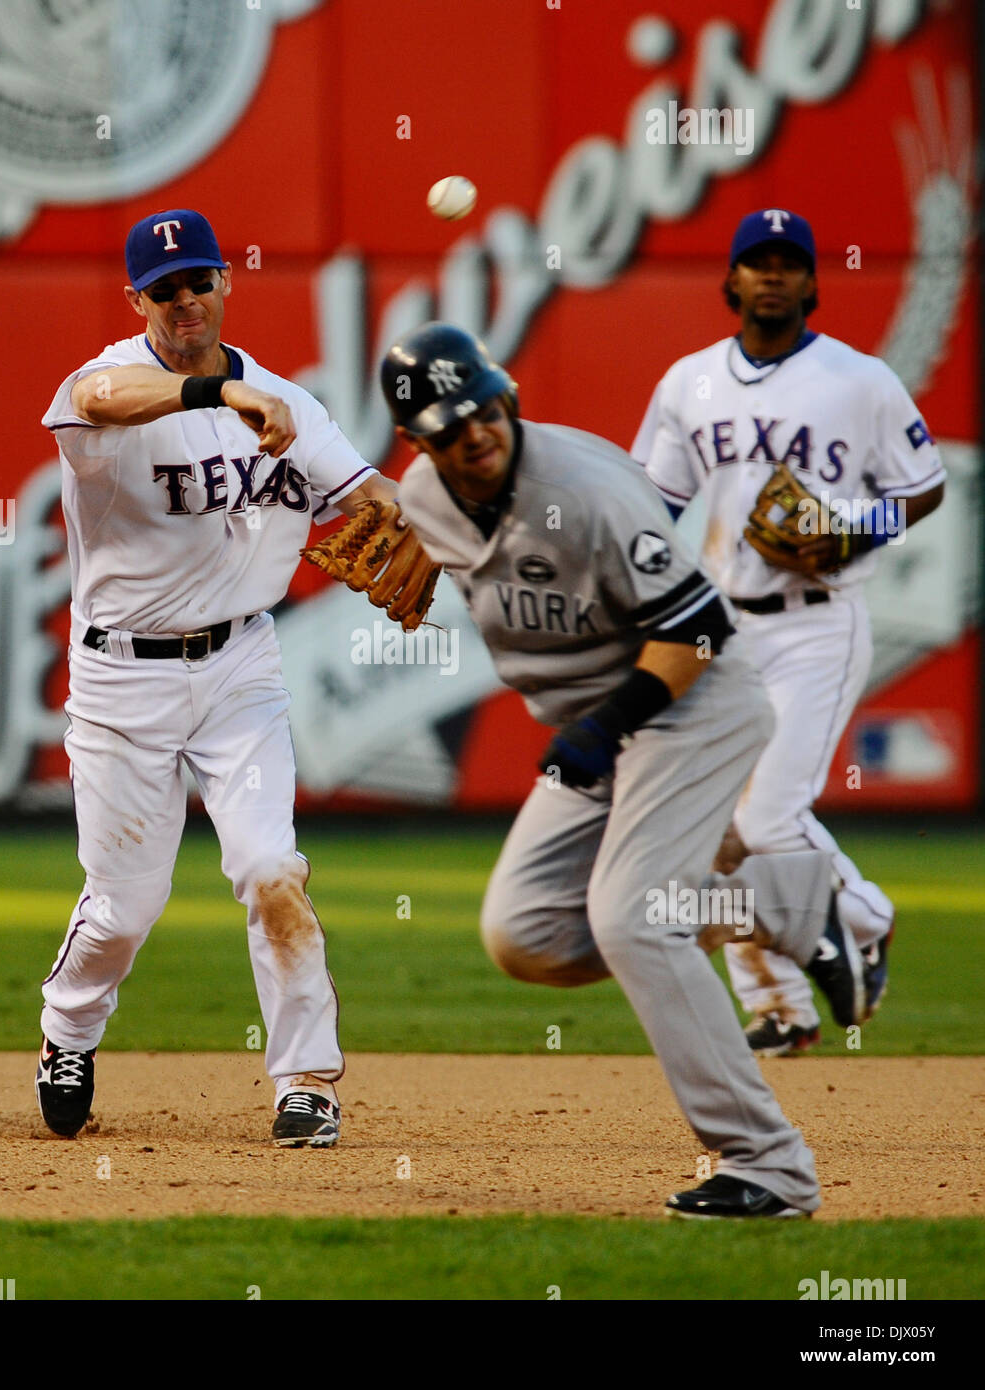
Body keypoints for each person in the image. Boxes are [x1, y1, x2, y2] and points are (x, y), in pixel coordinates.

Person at [379, 321, 884, 1219]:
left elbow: (700, 626)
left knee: (635, 919)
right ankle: (785, 908)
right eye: (451, 427)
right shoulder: (425, 497)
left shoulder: (584, 488)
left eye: (485, 410)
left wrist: (607, 724)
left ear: (507, 399)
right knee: (527, 935)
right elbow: (439, 539)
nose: (477, 434)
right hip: (600, 725)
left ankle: (767, 1164)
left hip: (688, 705)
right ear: (420, 444)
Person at [36, 208, 398, 1148]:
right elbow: (101, 402)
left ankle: (305, 1081)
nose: (184, 299)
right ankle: (68, 1032)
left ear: (226, 281)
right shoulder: (105, 386)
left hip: (240, 666)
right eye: (164, 288)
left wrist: (421, 520)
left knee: (271, 869)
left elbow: (367, 497)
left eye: (198, 280)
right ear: (137, 300)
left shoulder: (288, 402)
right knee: (123, 909)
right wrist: (210, 398)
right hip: (123, 679)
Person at [632, 209, 945, 1056]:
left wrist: (857, 528)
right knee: (712, 827)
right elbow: (651, 505)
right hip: (723, 625)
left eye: (787, 263)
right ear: (729, 281)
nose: (771, 275)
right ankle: (778, 1006)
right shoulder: (688, 383)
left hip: (818, 621)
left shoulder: (860, 379)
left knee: (769, 820)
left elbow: (924, 484)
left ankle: (866, 921)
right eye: (755, 262)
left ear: (811, 282)